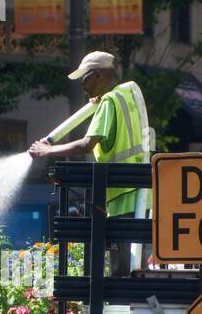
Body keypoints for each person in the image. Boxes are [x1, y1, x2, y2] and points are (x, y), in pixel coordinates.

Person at [28, 51, 150, 275]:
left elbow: (86, 143)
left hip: (122, 196)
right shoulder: (125, 94)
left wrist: (48, 150)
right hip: (138, 195)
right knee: (136, 268)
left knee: (122, 272)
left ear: (99, 75)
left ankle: (121, 309)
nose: (82, 85)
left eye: (84, 78)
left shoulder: (108, 103)